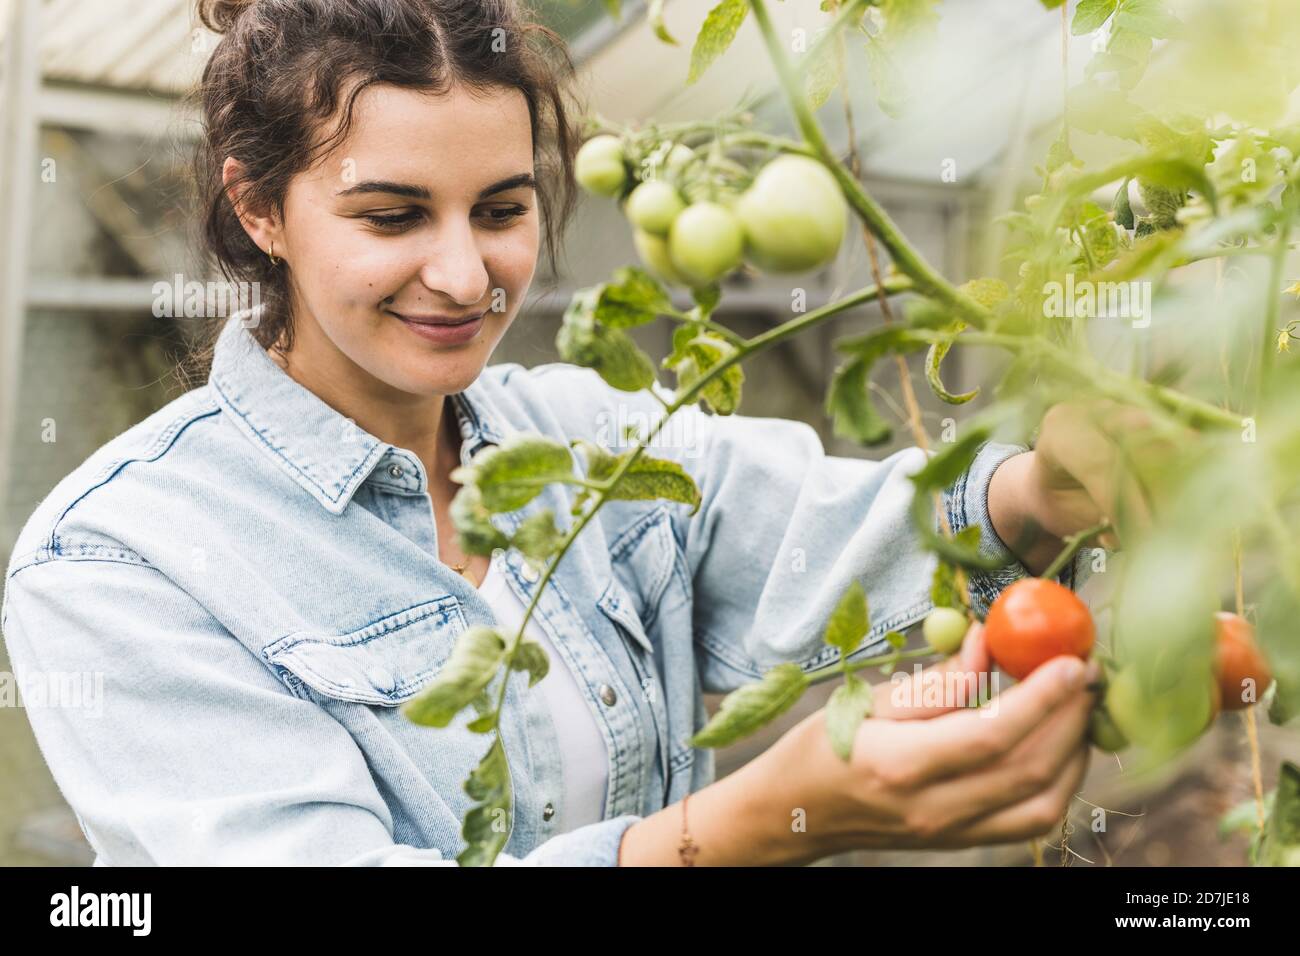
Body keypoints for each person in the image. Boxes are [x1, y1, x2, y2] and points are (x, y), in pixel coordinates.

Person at [1, 0, 1118, 866]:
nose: (462, 274)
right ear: (257, 208)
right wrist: (752, 825)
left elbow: (838, 531)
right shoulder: (118, 559)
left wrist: (1037, 492)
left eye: (500, 208)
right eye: (391, 214)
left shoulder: (583, 437)